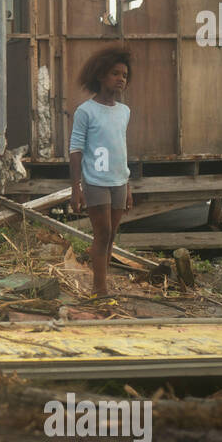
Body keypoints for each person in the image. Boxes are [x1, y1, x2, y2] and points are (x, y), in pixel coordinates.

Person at [68, 45, 133, 297]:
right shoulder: (86, 111)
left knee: (111, 235)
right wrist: (76, 187)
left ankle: (101, 283)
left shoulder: (124, 112)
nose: (121, 79)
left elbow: (122, 149)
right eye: (115, 73)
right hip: (95, 181)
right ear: (100, 76)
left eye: (125, 75)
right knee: (102, 233)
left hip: (119, 181)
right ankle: (100, 289)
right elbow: (75, 149)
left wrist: (128, 186)